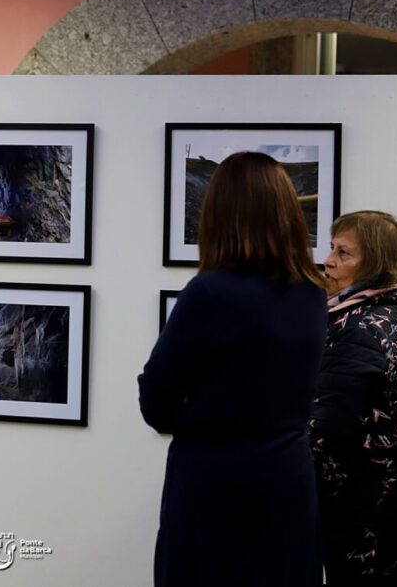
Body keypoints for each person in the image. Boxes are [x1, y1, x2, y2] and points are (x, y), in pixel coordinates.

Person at [138, 151, 327, 587]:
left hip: (215, 480)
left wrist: (203, 418)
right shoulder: (312, 292)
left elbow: (156, 401)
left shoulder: (208, 293)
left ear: (219, 212)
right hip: (288, 478)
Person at [311, 211, 397, 587]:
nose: (329, 261)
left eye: (344, 253)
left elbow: (326, 433)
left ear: (375, 266)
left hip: (363, 521)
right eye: (332, 248)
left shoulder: (359, 328)